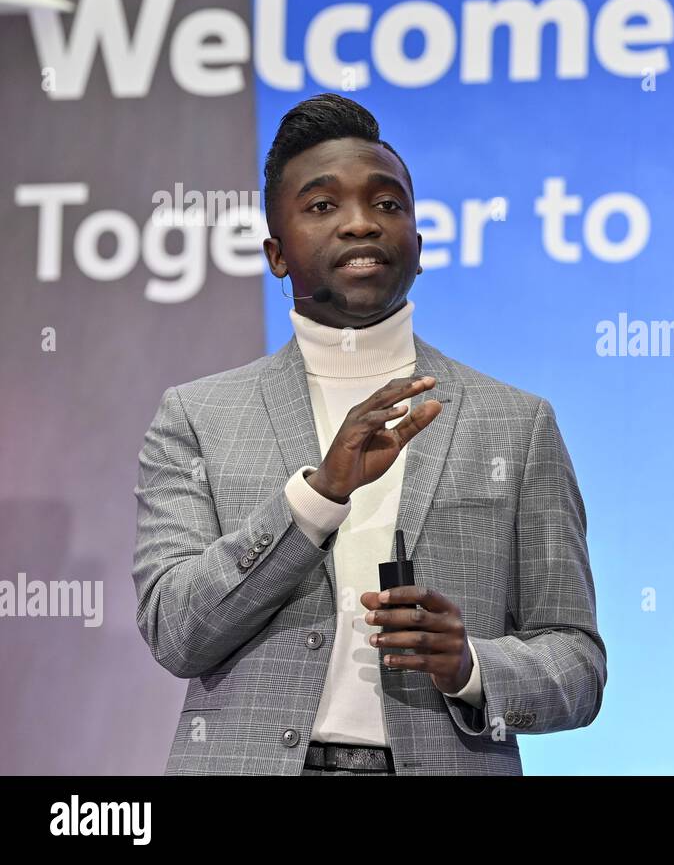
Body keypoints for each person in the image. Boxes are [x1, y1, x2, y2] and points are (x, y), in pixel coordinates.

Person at [132, 93, 605, 775]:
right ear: (275, 253)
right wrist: (318, 497)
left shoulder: (516, 422)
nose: (361, 224)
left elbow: (578, 666)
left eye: (387, 204)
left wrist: (471, 664)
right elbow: (177, 633)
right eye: (322, 206)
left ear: (418, 242)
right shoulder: (197, 417)